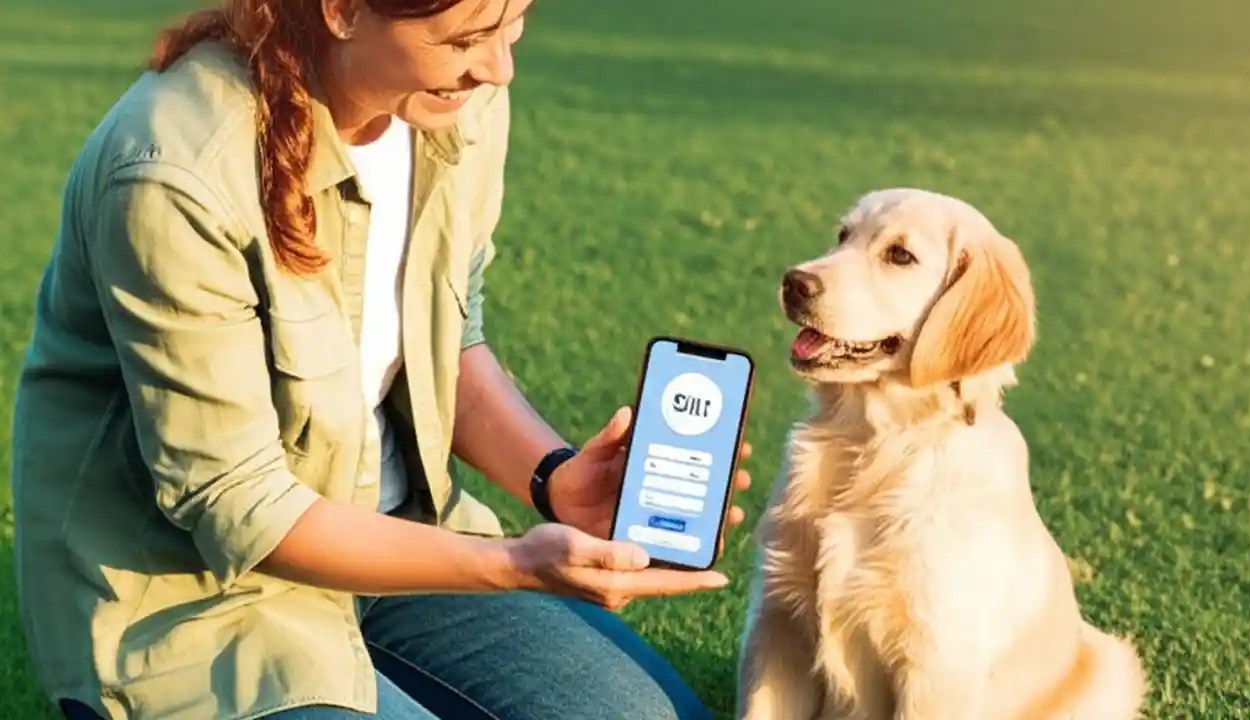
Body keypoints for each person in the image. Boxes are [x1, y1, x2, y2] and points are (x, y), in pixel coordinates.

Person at [8, 1, 754, 718]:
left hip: (401, 542)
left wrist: (557, 479)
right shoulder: (174, 173)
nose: (498, 68)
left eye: (515, 25)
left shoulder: (455, 108)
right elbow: (242, 509)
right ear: (341, 9)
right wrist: (515, 565)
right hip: (198, 606)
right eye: (466, 40)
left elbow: (448, 334)